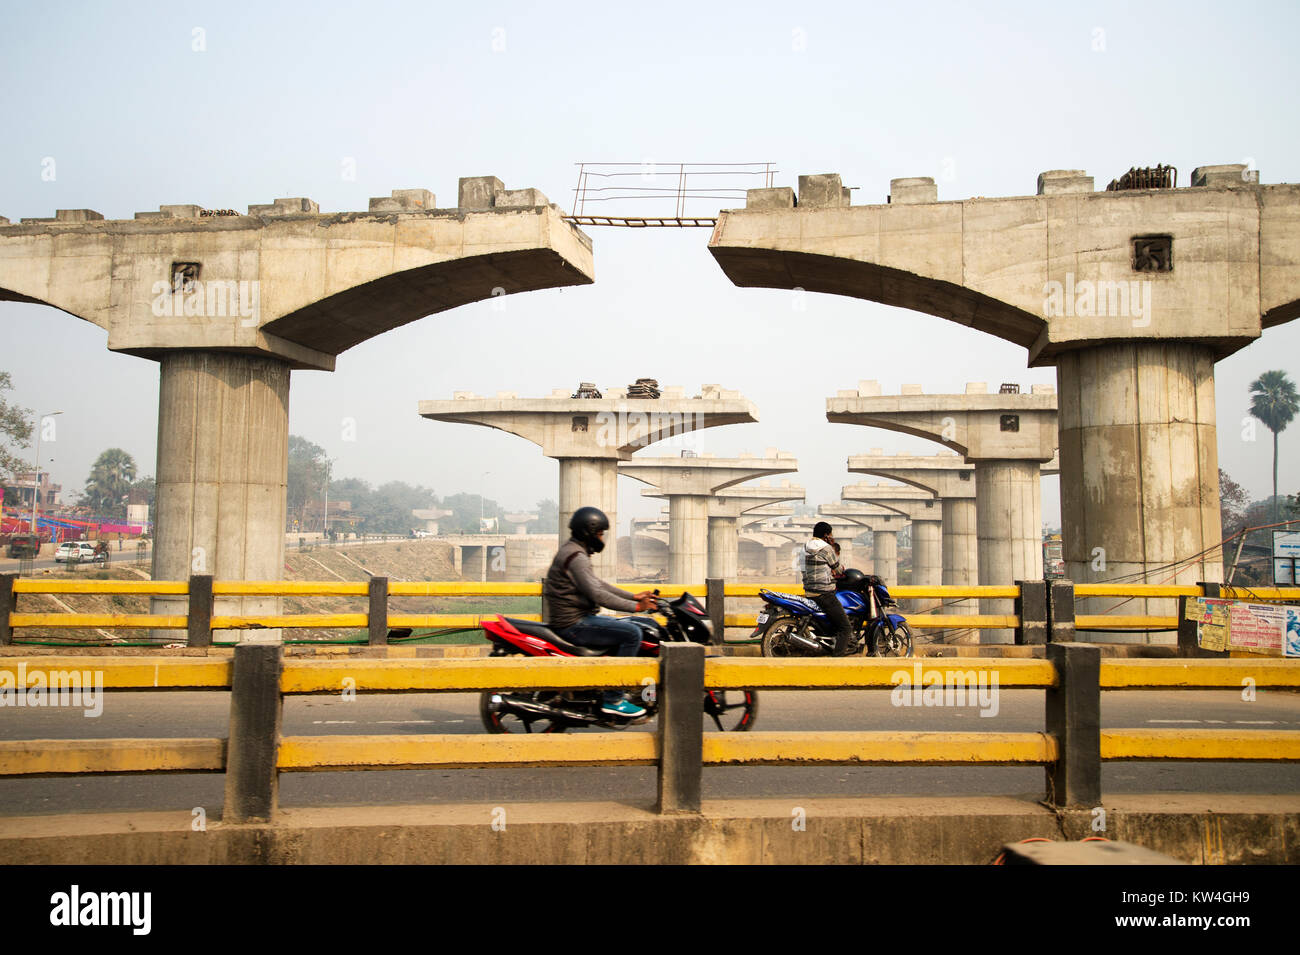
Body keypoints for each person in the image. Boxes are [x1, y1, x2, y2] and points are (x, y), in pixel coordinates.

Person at [544, 506, 658, 718]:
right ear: (588, 533)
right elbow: (598, 595)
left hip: (576, 618)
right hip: (574, 623)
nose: (602, 538)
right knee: (633, 633)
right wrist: (637, 607)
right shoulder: (576, 557)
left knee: (632, 622)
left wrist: (633, 597)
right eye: (599, 533)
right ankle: (613, 698)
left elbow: (598, 584)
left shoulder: (574, 552)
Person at [803, 521, 854, 656]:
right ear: (826, 535)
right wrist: (842, 570)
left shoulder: (806, 546)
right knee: (845, 627)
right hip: (823, 592)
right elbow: (837, 568)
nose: (832, 536)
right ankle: (838, 658)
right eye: (831, 534)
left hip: (809, 590)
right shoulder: (827, 549)